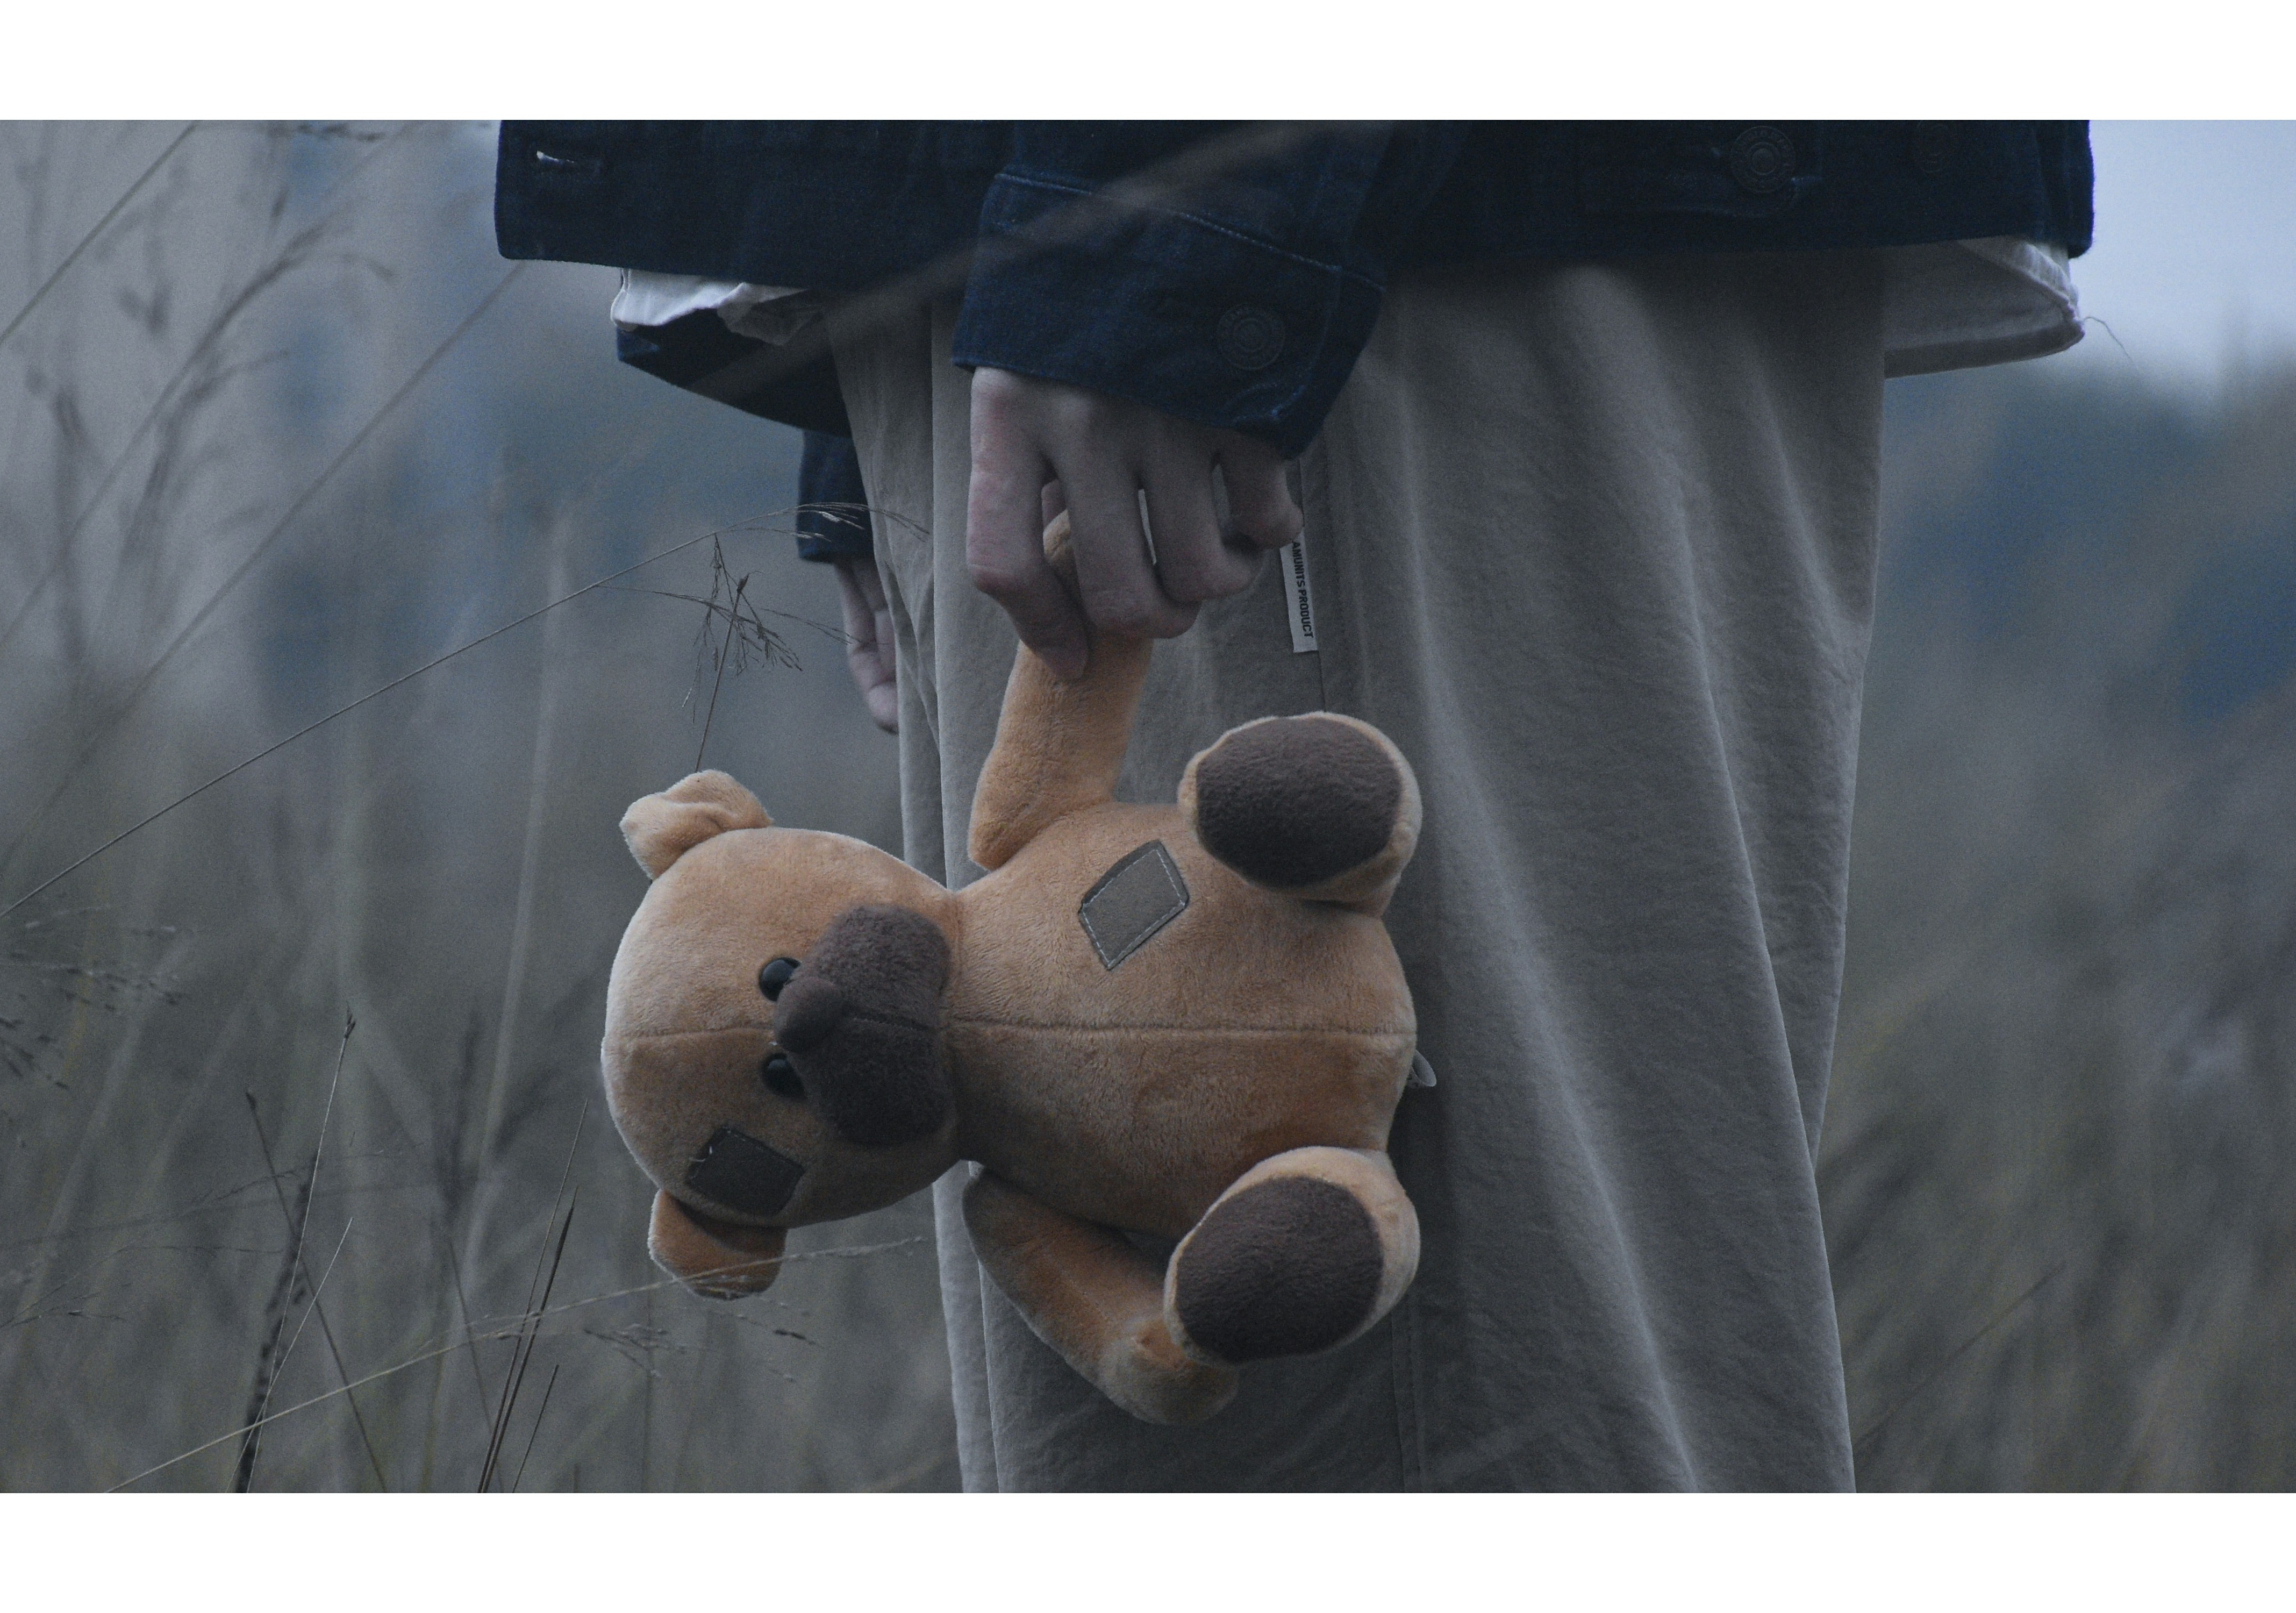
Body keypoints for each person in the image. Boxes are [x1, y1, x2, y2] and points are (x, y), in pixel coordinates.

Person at [497, 122, 2093, 1489]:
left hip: (1346, 240)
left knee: (1442, 1422)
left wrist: (1167, 224)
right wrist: (881, 327)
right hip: (1116, 235)